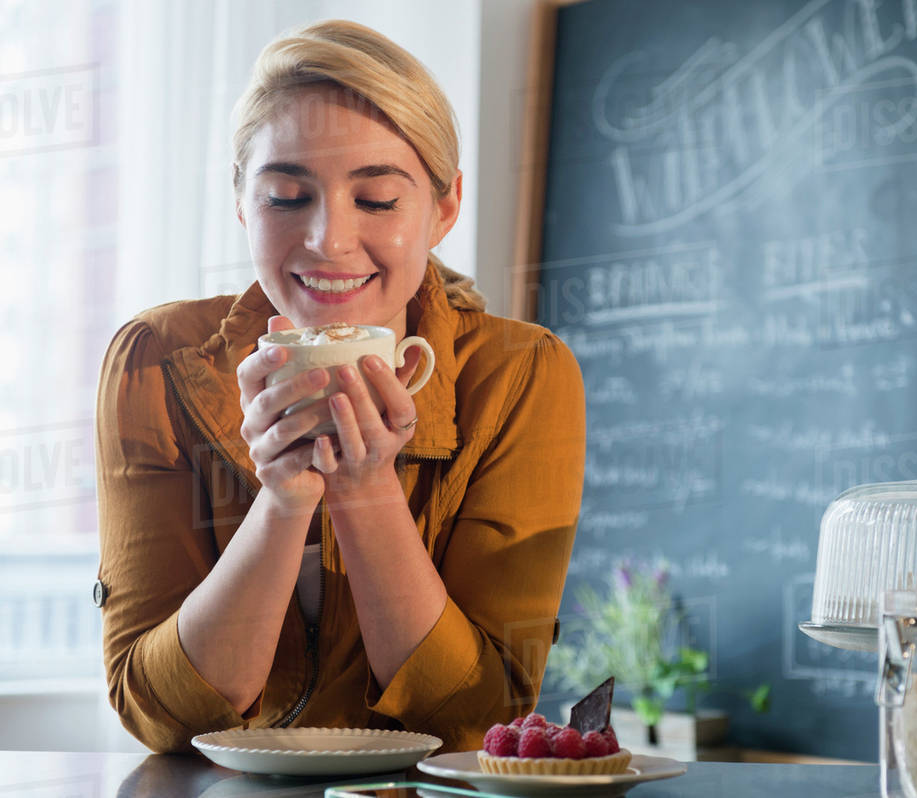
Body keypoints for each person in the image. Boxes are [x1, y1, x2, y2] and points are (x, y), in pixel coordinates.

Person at [94, 19, 585, 754]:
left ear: (444, 208)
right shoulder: (154, 363)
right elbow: (158, 717)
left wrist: (366, 488)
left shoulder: (521, 375)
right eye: (288, 197)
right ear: (241, 204)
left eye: (379, 200)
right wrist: (284, 499)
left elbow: (474, 720)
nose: (328, 238)